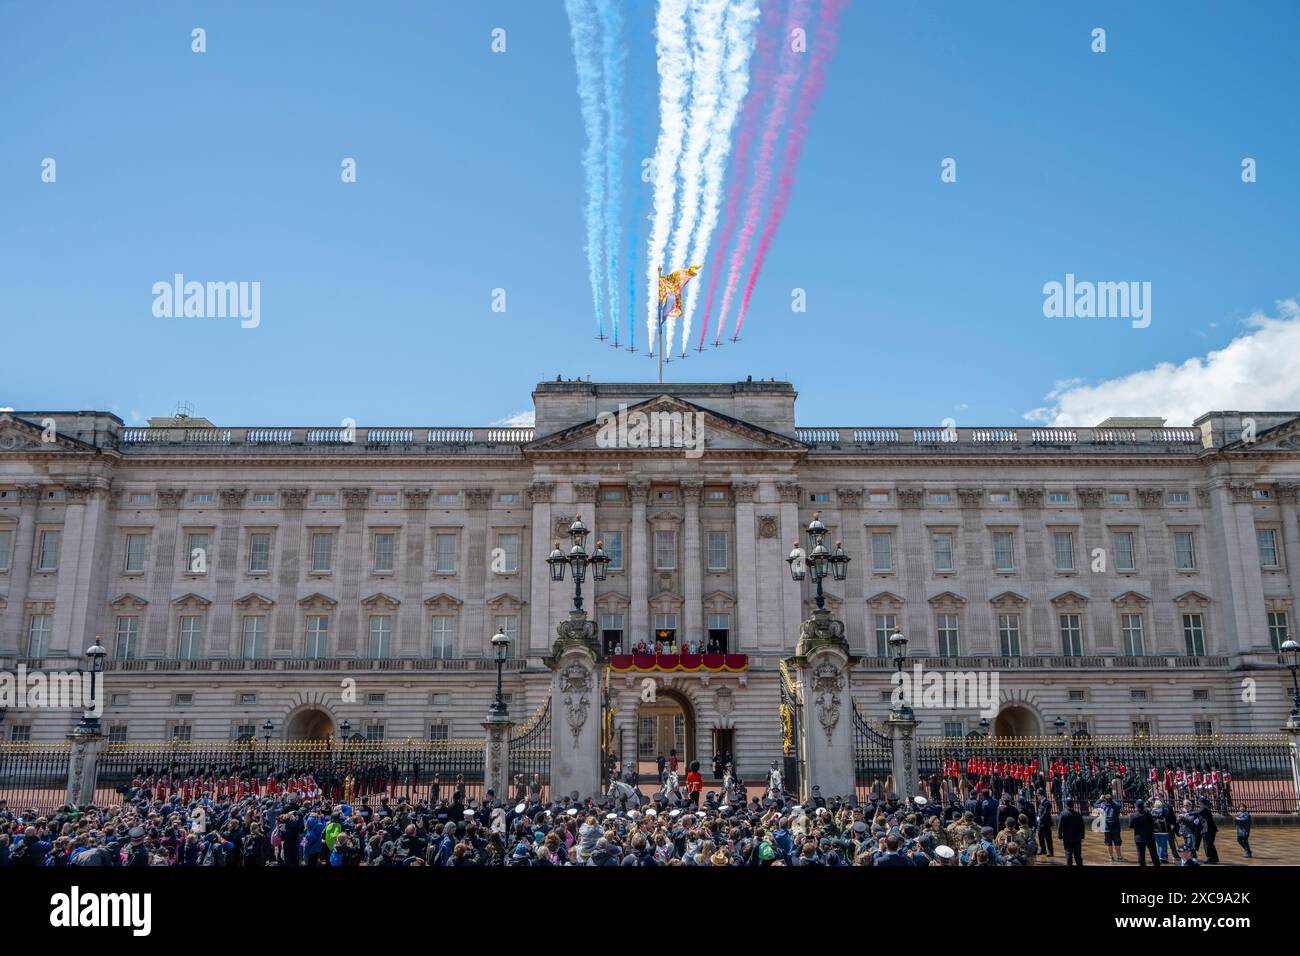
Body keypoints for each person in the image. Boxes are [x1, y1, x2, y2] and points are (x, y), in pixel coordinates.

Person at [1129, 799, 1158, 867]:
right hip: (1150, 837)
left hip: (1139, 838)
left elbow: (1130, 826)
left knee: (1141, 856)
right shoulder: (1148, 814)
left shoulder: (1133, 815)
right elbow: (1153, 824)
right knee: (1154, 854)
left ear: (1136, 806)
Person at [1058, 798, 1085, 866]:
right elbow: (1082, 826)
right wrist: (1082, 837)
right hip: (1077, 838)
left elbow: (1060, 827)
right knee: (1078, 855)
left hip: (1067, 838)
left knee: (1068, 853)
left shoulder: (1063, 814)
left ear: (1066, 805)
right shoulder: (1078, 814)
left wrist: (1060, 837)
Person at [1198, 798, 1219, 864]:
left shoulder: (1204, 808)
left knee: (1207, 844)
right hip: (1211, 829)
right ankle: (1215, 858)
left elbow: (1199, 812)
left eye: (1199, 802)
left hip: (1207, 829)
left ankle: (1209, 858)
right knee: (1210, 844)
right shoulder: (1206, 808)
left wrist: (1189, 813)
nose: (1198, 804)